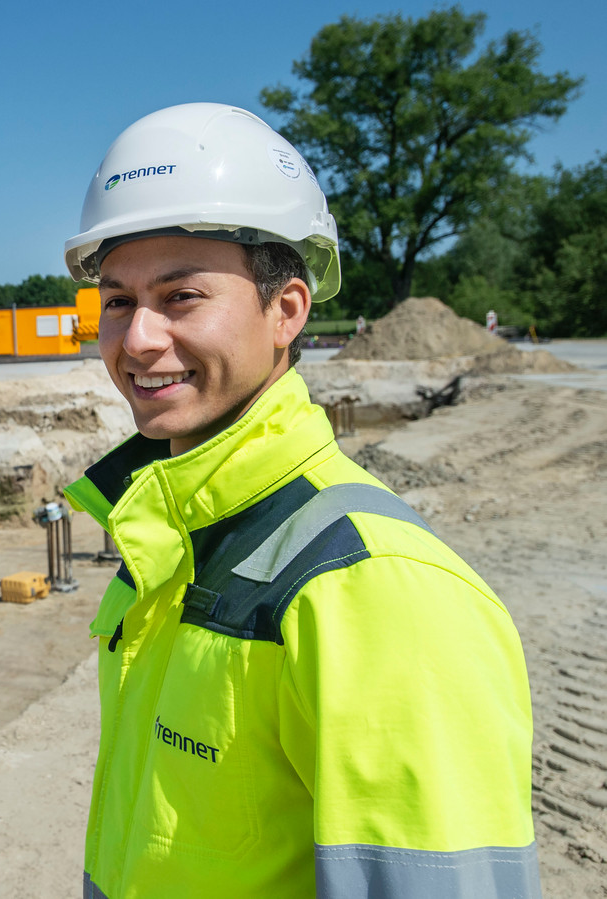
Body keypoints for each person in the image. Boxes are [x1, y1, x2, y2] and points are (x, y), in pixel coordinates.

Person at [60, 103, 537, 898]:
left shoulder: (375, 589)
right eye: (116, 300)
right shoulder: (173, 536)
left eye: (181, 297)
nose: (136, 339)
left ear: (287, 312)